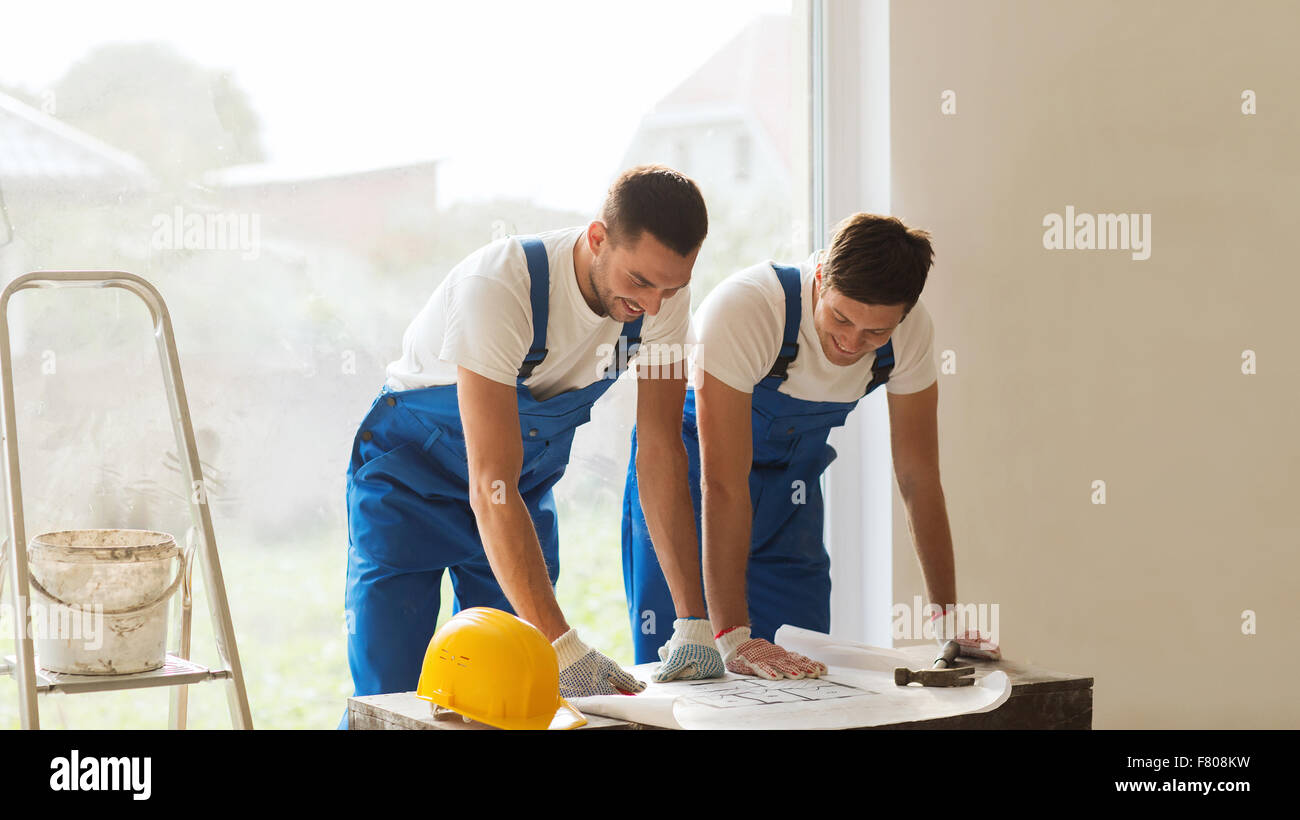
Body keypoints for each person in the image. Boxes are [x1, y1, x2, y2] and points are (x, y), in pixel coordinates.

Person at [343, 166, 723, 728]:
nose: (656, 304)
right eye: (640, 282)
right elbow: (487, 481)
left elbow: (662, 449)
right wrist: (563, 648)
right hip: (411, 481)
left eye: (672, 287)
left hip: (517, 492)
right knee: (397, 698)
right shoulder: (501, 286)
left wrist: (694, 620)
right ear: (598, 239)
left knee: (509, 695)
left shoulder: (664, 297)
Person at [622, 213, 999, 679]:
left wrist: (947, 619)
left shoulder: (912, 334)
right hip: (692, 486)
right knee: (695, 669)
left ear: (902, 315)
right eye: (840, 317)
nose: (850, 341)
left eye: (875, 333)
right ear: (820, 278)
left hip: (790, 498)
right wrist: (733, 637)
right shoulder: (749, 309)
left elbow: (918, 477)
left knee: (805, 668)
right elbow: (722, 482)